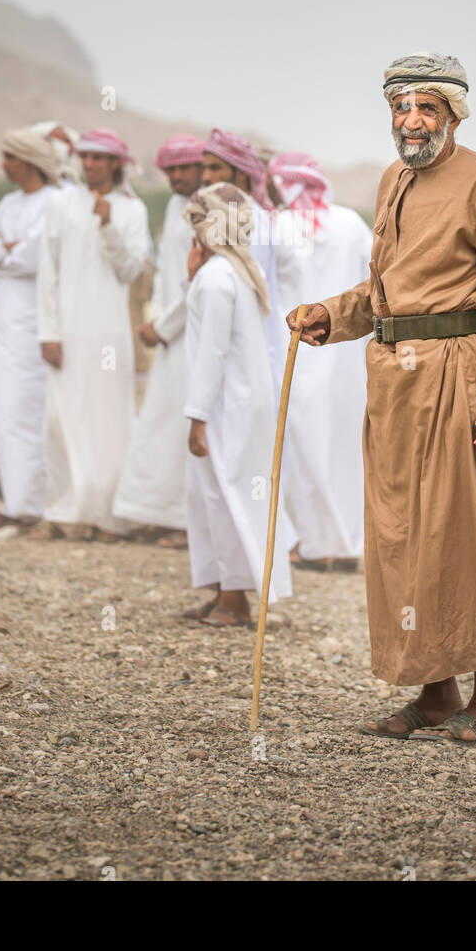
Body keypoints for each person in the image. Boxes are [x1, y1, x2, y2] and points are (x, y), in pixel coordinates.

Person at [287, 53, 476, 749]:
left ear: (453, 114)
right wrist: (330, 316)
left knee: (469, 535)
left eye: (427, 107)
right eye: (402, 107)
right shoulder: (394, 179)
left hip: (461, 379)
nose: (412, 120)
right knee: (403, 539)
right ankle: (433, 693)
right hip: (394, 386)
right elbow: (384, 293)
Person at [182, 183, 292, 626]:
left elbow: (212, 353)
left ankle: (235, 600)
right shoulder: (233, 273)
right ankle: (222, 590)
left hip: (226, 408)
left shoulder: (216, 279)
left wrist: (197, 417)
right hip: (239, 404)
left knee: (222, 494)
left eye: (194, 228)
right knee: (215, 495)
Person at [36, 128, 151, 540]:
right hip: (66, 330)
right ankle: (66, 511)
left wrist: (108, 227)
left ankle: (109, 515)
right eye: (85, 157)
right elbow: (47, 270)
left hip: (109, 332)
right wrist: (48, 331)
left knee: (110, 419)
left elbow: (131, 270)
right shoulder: (60, 203)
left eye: (99, 159)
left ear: (115, 164)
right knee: (59, 417)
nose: (90, 165)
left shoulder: (131, 210)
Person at [268, 151, 372, 570]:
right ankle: (348, 543)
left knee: (306, 448)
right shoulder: (350, 221)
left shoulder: (280, 224)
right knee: (347, 446)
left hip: (301, 350)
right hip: (348, 349)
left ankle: (318, 545)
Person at [0, 128, 60, 531]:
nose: (4, 165)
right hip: (2, 314)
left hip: (33, 316)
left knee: (26, 407)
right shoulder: (8, 203)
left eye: (11, 157)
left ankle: (34, 505)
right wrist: (5, 248)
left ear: (29, 161)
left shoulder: (56, 202)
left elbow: (35, 257)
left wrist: (2, 248)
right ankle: (14, 501)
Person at [112, 135, 204, 546]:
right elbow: (170, 273)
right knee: (161, 423)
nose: (178, 176)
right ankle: (159, 513)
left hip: (197, 335)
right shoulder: (172, 206)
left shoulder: (211, 209)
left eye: (186, 168)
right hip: (170, 333)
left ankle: (190, 523)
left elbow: (201, 282)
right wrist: (158, 322)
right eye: (172, 170)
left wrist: (161, 327)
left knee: (189, 424)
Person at [200, 129, 287, 375]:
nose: (206, 176)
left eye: (216, 168)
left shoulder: (252, 222)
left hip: (240, 356)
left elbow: (247, 295)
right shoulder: (226, 218)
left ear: (240, 175)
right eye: (205, 168)